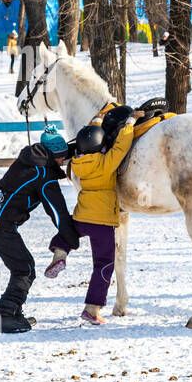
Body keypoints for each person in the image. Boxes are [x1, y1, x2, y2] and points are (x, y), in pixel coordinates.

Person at [0, 127, 80, 334]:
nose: (63, 162)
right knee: (25, 268)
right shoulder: (44, 175)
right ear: (55, 156)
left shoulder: (31, 160)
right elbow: (57, 212)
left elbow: (57, 154)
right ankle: (4, 317)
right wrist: (72, 239)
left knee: (24, 266)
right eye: (61, 158)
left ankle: (14, 314)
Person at [44, 108, 137, 325]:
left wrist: (97, 119)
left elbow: (89, 139)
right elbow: (122, 146)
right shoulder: (106, 164)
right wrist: (130, 122)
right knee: (104, 264)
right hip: (103, 222)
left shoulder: (77, 164)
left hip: (82, 216)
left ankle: (60, 254)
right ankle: (91, 309)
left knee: (67, 232)